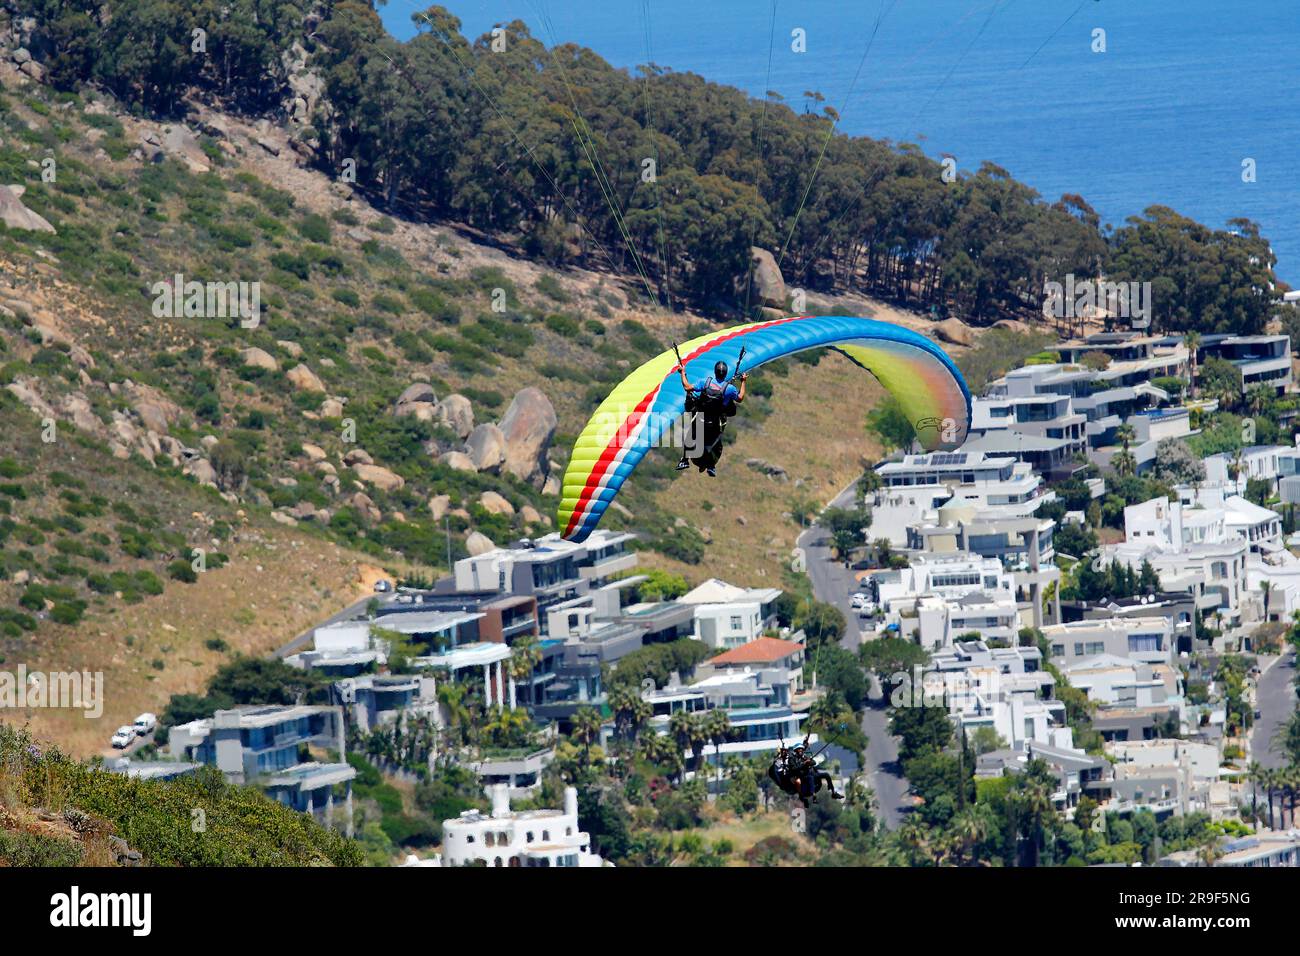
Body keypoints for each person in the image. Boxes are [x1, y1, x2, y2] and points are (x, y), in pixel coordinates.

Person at [675, 359, 746, 476]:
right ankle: (711, 466)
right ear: (726, 373)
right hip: (715, 424)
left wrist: (683, 373)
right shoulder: (730, 389)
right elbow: (740, 398)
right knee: (716, 441)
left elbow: (687, 387)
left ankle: (684, 460)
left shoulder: (705, 382)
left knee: (690, 435)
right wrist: (743, 381)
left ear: (715, 372)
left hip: (700, 421)